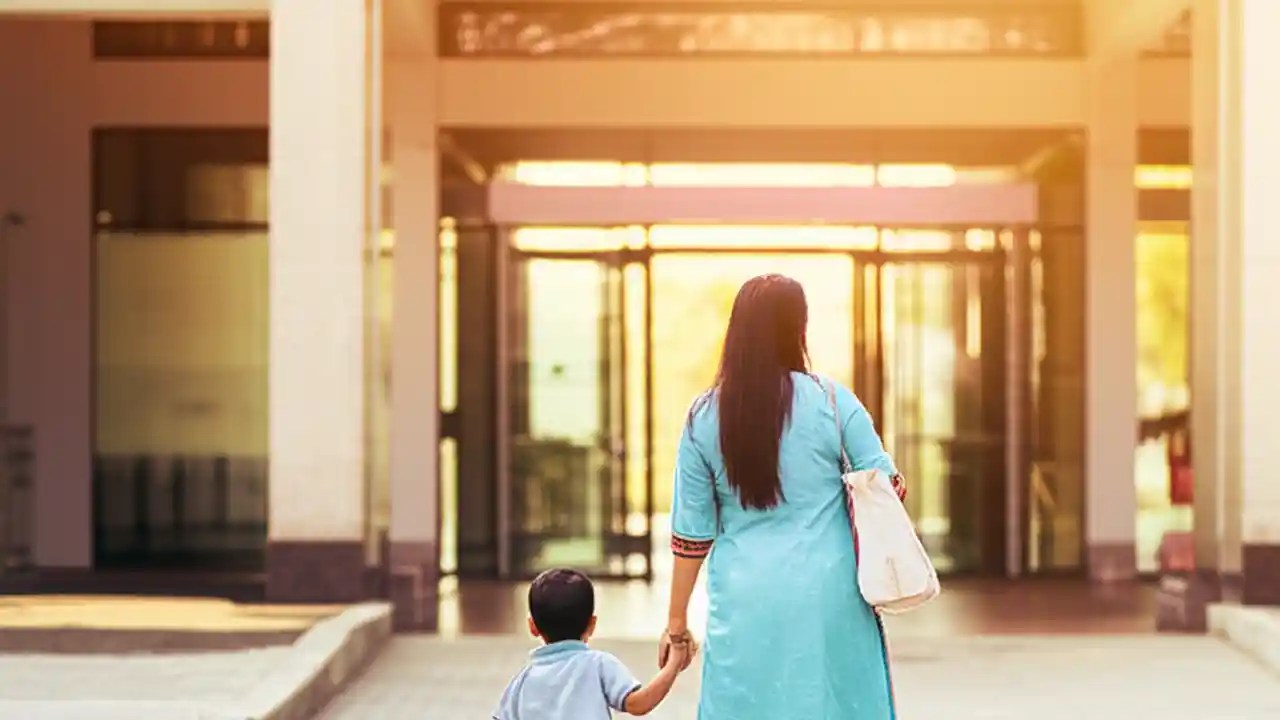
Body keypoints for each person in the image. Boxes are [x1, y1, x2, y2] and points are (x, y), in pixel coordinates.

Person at [660, 274, 905, 720]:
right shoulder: (833, 401)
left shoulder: (704, 416)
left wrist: (677, 622)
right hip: (831, 591)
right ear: (798, 328)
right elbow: (888, 489)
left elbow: (691, 535)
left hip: (744, 594)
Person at [495, 568, 690, 719]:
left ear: (532, 626)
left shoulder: (524, 679)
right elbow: (638, 704)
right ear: (592, 624)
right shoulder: (599, 665)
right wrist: (673, 664)